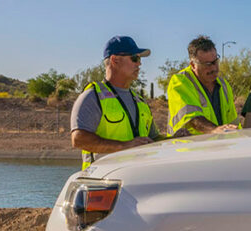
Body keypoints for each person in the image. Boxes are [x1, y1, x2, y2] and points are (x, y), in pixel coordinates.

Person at [70, 35, 156, 170]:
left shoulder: (140, 101)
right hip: (103, 183)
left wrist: (174, 138)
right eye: (135, 58)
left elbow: (152, 139)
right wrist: (124, 146)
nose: (139, 64)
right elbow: (79, 139)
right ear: (115, 60)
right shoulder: (93, 96)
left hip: (136, 178)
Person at [167, 35, 239, 135]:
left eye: (215, 62)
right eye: (207, 64)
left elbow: (232, 121)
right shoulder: (180, 82)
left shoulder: (223, 85)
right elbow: (192, 118)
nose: (213, 68)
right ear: (193, 65)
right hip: (189, 149)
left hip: (220, 148)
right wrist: (214, 130)